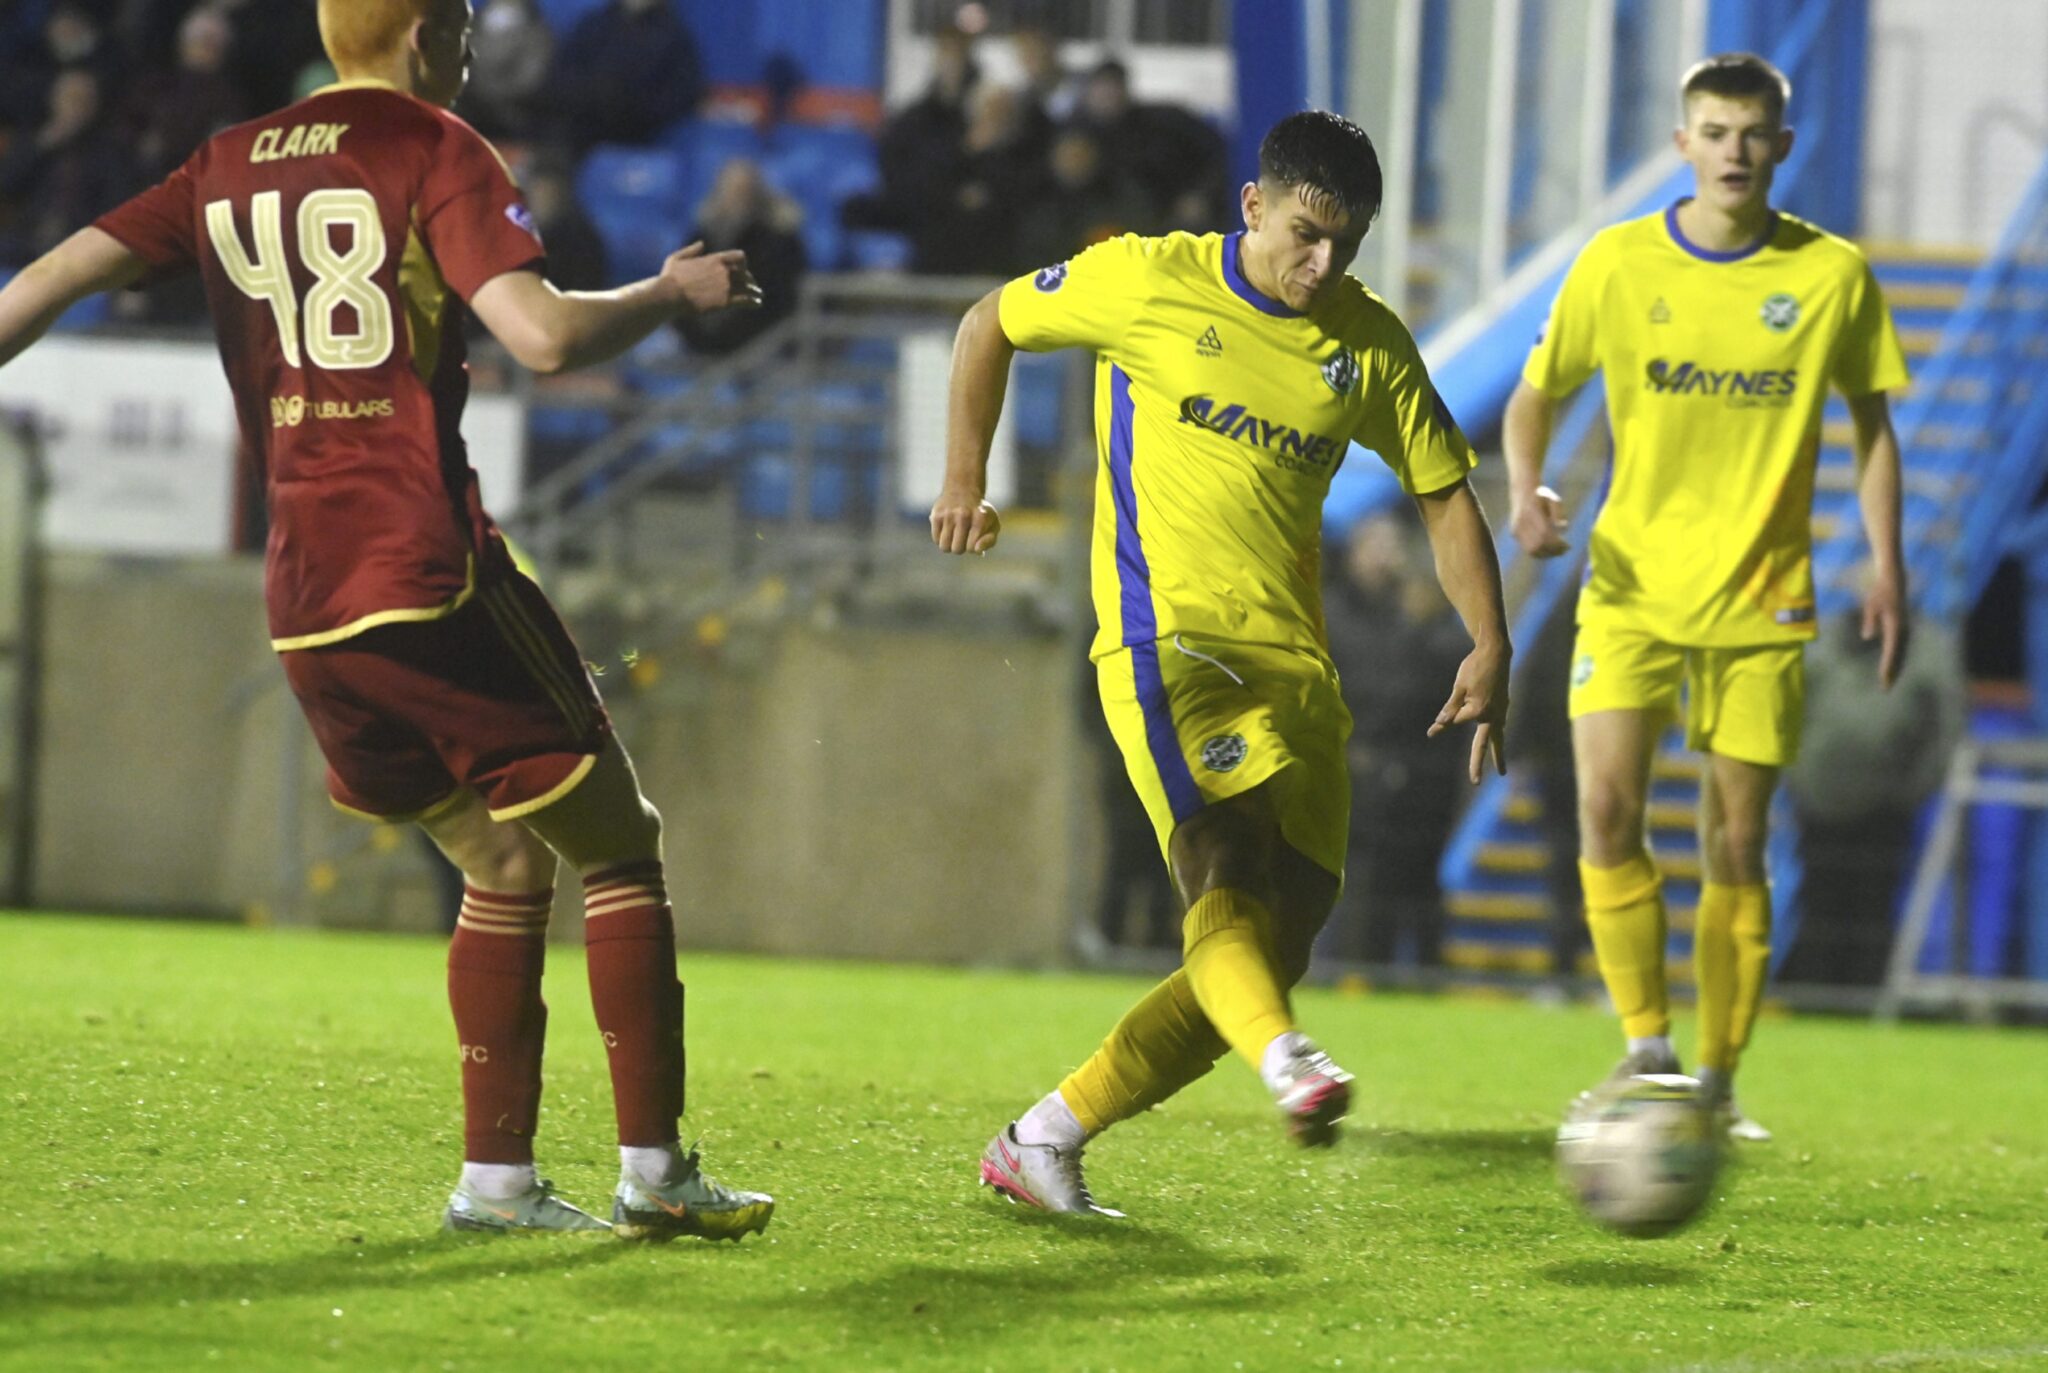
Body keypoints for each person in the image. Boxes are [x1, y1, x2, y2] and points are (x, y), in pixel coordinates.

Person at [0, 0, 773, 1240]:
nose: (467, 45)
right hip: (424, 566)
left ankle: (498, 1186)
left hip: (304, 598)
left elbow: (42, 281)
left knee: (500, 861)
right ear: (422, 35)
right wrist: (671, 288)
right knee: (620, 842)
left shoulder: (227, 158)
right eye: (460, 21)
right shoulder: (435, 146)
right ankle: (654, 1172)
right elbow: (544, 334)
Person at [932, 110, 1510, 1215]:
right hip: (1166, 644)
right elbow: (984, 321)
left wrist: (1488, 637)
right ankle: (1287, 1061)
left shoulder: (1367, 341)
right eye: (1304, 234)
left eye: (1344, 244)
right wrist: (965, 476)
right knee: (1220, 859)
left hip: (1295, 671)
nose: (1321, 263)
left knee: (1270, 936)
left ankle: (1043, 1135)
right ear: (1253, 206)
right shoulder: (1144, 281)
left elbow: (1441, 491)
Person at [1502, 53, 1910, 1138]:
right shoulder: (1617, 263)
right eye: (1712, 132)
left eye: (1750, 134)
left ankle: (1719, 1081)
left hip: (1760, 599)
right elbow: (1533, 394)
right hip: (1628, 585)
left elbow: (1873, 430)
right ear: (1681, 144)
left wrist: (1886, 562)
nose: (1731, 151)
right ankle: (1644, 1047)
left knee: (1734, 839)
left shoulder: (1830, 277)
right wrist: (1528, 489)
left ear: (1779, 146)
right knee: (1601, 809)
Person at [1780, 603, 1962, 987]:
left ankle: (1864, 996)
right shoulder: (1823, 640)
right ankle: (1815, 996)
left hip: (1887, 806)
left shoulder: (1927, 648)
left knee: (1874, 907)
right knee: (1820, 902)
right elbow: (1789, 711)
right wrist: (1798, 778)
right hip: (1819, 799)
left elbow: (1946, 726)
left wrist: (1914, 789)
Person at [1323, 513, 1471, 971]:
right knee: (1341, 876)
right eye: (1376, 547)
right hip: (1343, 770)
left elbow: (1430, 689)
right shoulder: (1329, 616)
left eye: (1392, 548)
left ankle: (1398, 970)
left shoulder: (1419, 624)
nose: (1386, 559)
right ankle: (1337, 966)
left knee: (1412, 883)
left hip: (1415, 778)